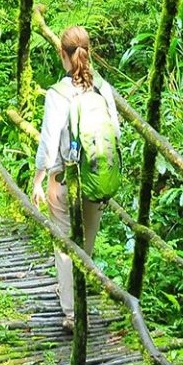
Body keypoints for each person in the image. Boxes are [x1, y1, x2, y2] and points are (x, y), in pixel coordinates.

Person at [30, 26, 121, 332]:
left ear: (62, 54)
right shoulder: (103, 89)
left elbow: (49, 140)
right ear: (89, 52)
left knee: (65, 246)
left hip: (65, 181)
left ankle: (71, 312)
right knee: (86, 247)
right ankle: (80, 298)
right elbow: (116, 135)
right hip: (96, 180)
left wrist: (38, 180)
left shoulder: (58, 94)